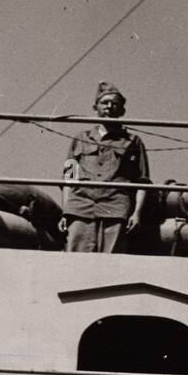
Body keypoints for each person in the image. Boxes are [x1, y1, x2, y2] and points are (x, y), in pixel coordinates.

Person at [62, 82, 150, 253]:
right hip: (80, 207)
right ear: (95, 107)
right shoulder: (80, 138)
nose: (109, 107)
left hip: (115, 208)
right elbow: (68, 178)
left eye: (115, 104)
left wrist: (136, 213)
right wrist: (66, 211)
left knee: (111, 265)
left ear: (122, 111)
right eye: (105, 102)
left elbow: (142, 181)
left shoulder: (133, 141)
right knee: (74, 263)